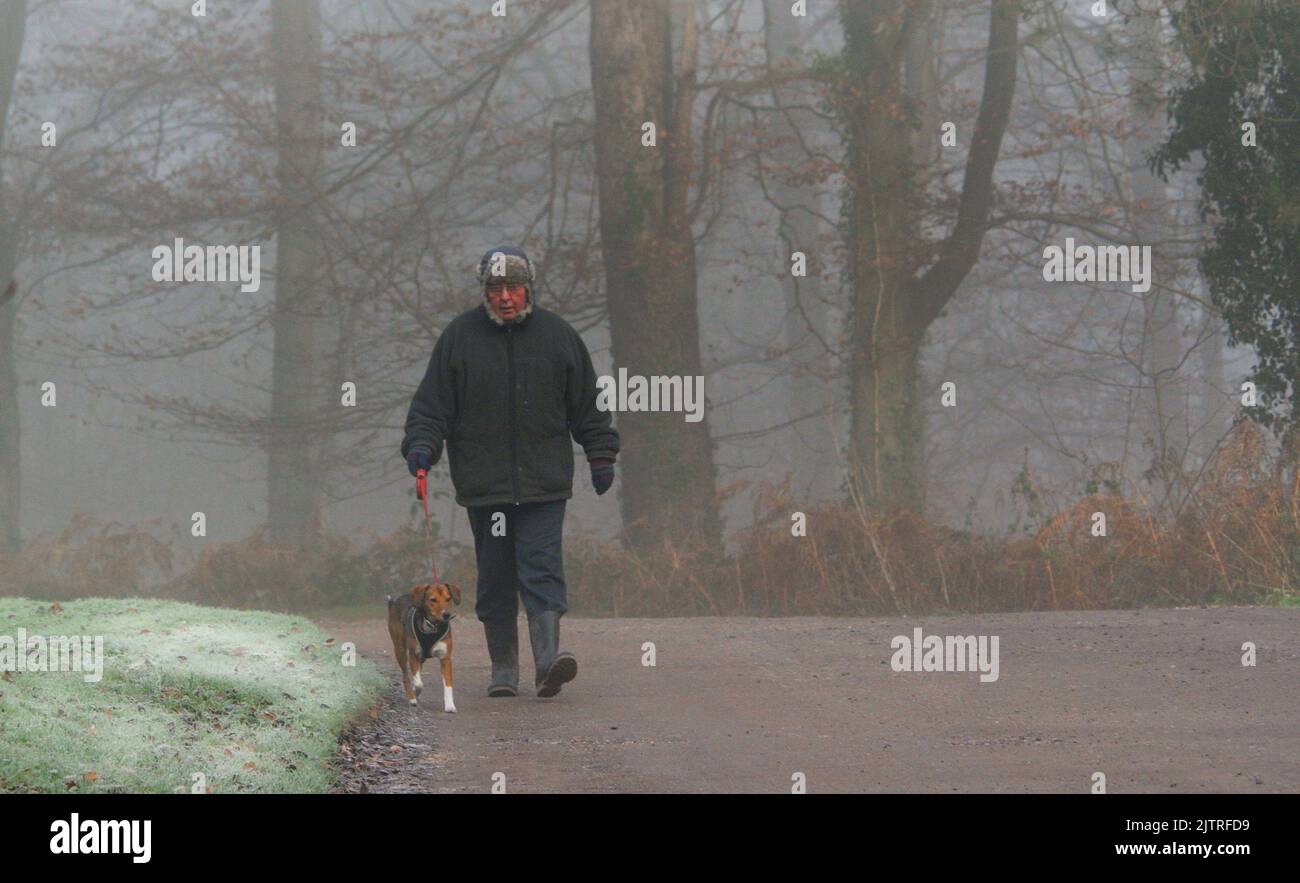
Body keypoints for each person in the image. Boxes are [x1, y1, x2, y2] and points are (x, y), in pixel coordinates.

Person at [401, 246, 619, 698]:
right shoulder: (460, 338)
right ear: (485, 292)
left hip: (543, 484)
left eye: (513, 288)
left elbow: (587, 403)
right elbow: (431, 406)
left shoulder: (557, 336)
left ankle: (547, 663)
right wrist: (423, 447)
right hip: (486, 487)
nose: (505, 298)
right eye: (495, 289)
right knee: (497, 576)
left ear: (528, 289)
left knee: (540, 568)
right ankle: (503, 669)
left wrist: (600, 453)